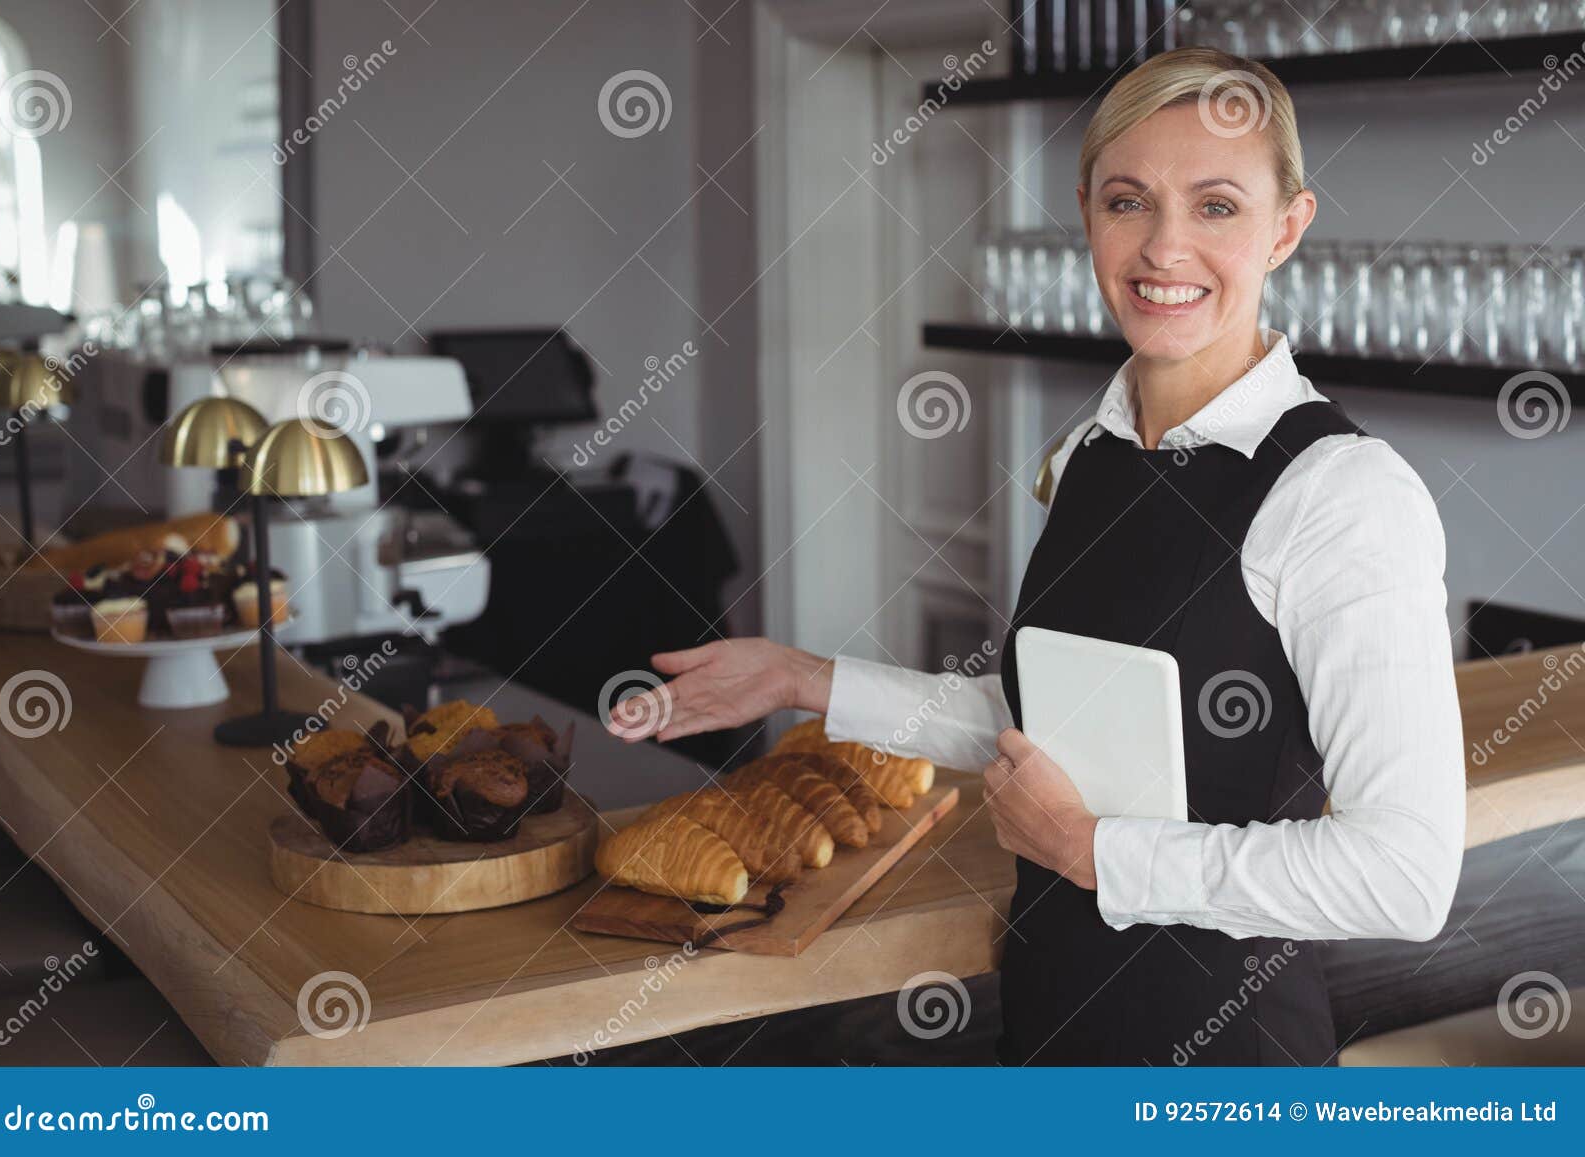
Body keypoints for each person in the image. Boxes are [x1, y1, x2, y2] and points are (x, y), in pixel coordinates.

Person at [610, 46, 1465, 1066]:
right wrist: (803, 678)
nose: (1163, 247)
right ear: (1085, 214)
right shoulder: (1089, 455)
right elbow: (1043, 734)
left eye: (1217, 206)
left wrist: (1088, 849)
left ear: (1286, 227)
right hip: (1049, 1017)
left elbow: (1403, 875)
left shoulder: (1340, 495)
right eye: (1126, 201)